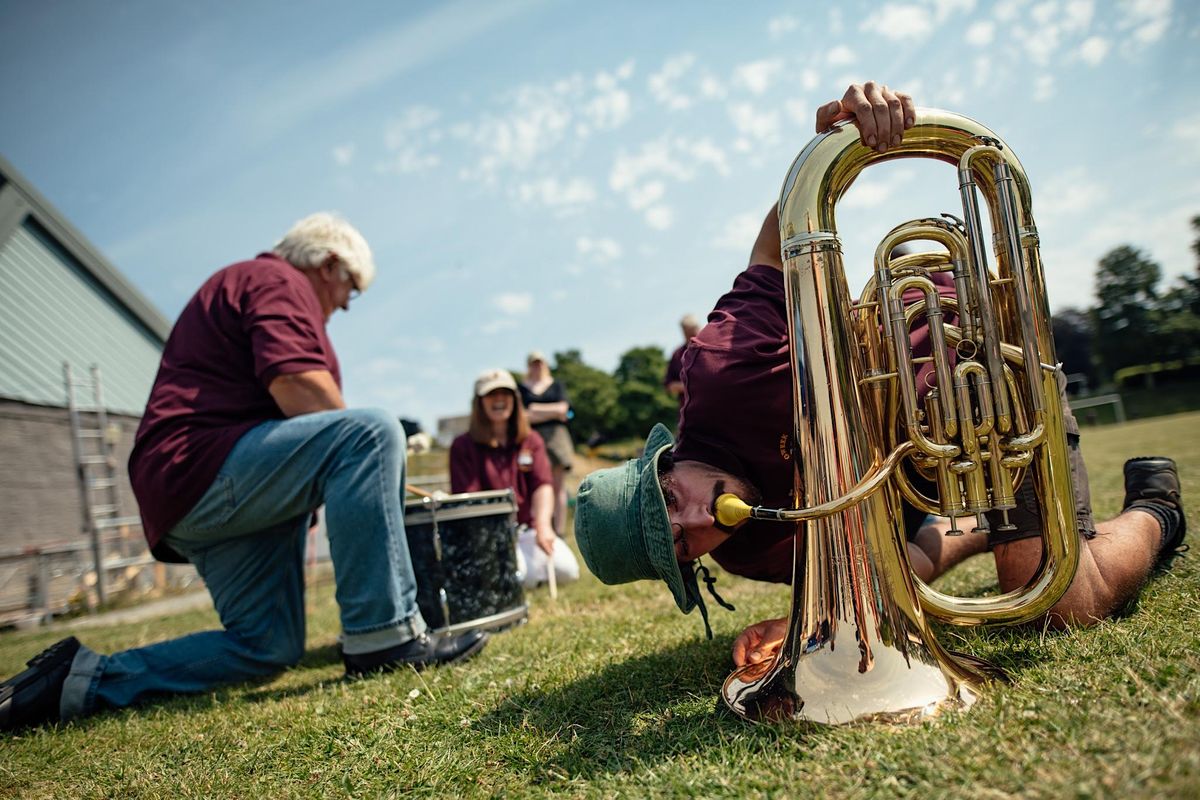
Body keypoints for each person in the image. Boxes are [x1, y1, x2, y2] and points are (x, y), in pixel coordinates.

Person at [574, 82, 1188, 669]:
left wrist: (829, 149)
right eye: (681, 543)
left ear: (666, 463)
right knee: (1052, 599)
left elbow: (767, 259)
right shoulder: (749, 550)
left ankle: (1154, 511)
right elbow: (905, 560)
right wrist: (819, 618)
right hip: (929, 472)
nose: (701, 521)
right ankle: (1103, 514)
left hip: (986, 375)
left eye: (671, 500)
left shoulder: (718, 370)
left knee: (1062, 605)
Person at [0, 213, 487, 731]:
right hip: (203, 467)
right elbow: (301, 392)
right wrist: (352, 462)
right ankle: (384, 638)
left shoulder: (253, 285)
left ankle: (78, 679)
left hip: (194, 487)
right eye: (351, 287)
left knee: (264, 646)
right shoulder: (276, 280)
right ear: (327, 264)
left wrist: (320, 478)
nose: (347, 302)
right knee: (371, 431)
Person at [450, 369, 580, 588]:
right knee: (521, 577)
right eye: (491, 394)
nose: (499, 399)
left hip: (527, 529)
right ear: (479, 402)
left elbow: (542, 485)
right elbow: (469, 499)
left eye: (505, 393)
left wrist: (543, 526)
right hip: (490, 535)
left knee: (568, 570)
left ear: (515, 399)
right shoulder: (463, 446)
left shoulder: (531, 440)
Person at [518, 352, 575, 535]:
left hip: (556, 438)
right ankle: (540, 527)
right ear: (528, 365)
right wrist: (551, 411)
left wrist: (535, 409)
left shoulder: (556, 384)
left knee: (558, 487)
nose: (537, 366)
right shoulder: (522, 388)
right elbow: (522, 415)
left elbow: (563, 410)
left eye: (540, 363)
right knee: (537, 485)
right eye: (534, 363)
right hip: (531, 437)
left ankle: (559, 532)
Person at [664, 314, 702, 402]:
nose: (692, 337)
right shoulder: (677, 354)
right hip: (688, 410)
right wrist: (690, 387)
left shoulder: (711, 349)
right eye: (688, 333)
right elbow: (669, 385)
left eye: (693, 332)